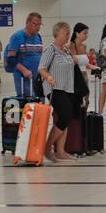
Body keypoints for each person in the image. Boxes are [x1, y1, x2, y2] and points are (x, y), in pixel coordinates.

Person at [38, 21, 78, 163]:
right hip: (54, 88)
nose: (68, 36)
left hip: (67, 88)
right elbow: (41, 68)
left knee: (64, 119)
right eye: (65, 33)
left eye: (68, 33)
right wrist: (48, 77)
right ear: (57, 33)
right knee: (66, 116)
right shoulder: (51, 49)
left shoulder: (66, 50)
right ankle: (47, 147)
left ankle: (60, 151)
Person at [5, 12, 44, 101]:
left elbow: (40, 55)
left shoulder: (38, 37)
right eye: (35, 24)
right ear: (27, 22)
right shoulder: (17, 36)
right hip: (24, 78)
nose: (38, 27)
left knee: (39, 104)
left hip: (37, 77)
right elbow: (11, 58)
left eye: (40, 25)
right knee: (28, 105)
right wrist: (24, 70)